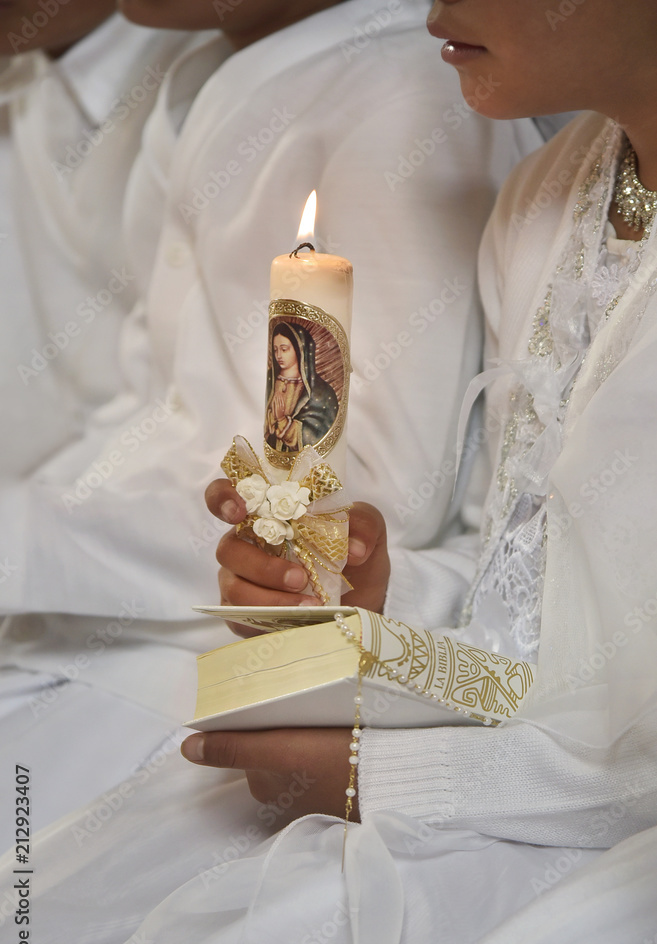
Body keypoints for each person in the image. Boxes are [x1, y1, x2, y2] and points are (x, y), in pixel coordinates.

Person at [4, 0, 656, 944]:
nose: (433, 6)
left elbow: (619, 742)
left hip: (590, 835)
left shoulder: (407, 108)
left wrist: (373, 777)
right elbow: (508, 585)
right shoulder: (551, 196)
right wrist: (371, 593)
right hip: (492, 757)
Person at [0, 0, 544, 844]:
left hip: (230, 636)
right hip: (145, 599)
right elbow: (149, 402)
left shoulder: (400, 96)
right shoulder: (199, 74)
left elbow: (373, 509)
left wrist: (34, 546)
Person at [0, 3, 212, 843]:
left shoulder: (209, 84)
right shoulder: (34, 79)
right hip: (74, 581)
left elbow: (328, 479)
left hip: (173, 609)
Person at [265, 322, 340, 454]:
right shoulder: (272, 379)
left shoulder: (319, 391)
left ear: (299, 350)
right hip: (275, 463)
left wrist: (283, 421)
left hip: (311, 470)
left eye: (284, 349)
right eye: (275, 349)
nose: (279, 356)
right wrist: (272, 419)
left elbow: (316, 434)